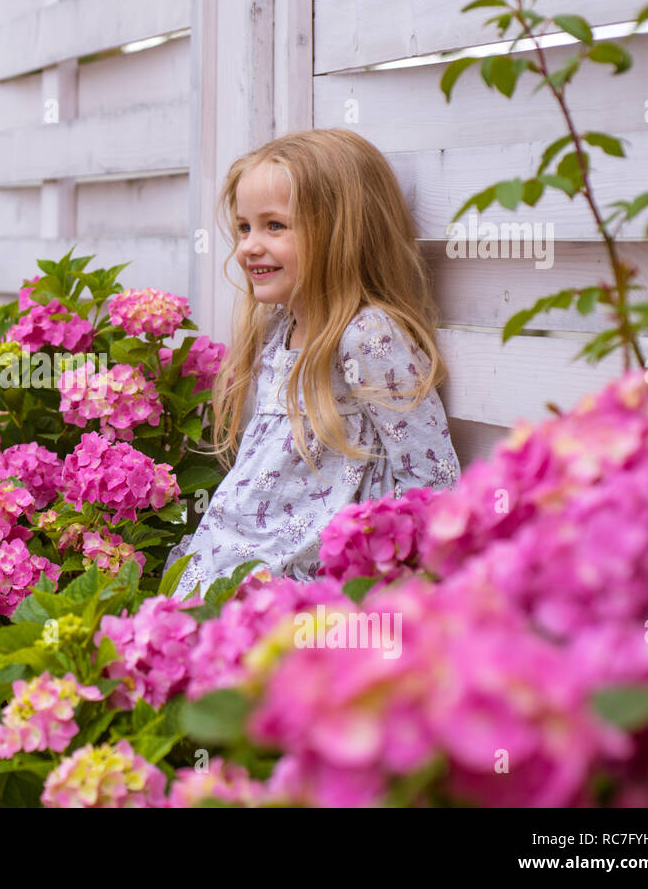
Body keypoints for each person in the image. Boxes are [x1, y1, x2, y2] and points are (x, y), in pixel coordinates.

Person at [170, 129, 461, 599]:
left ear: (342, 231)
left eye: (274, 226)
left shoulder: (367, 336)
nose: (248, 246)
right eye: (245, 227)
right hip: (240, 558)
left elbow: (431, 478)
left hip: (306, 583)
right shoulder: (277, 330)